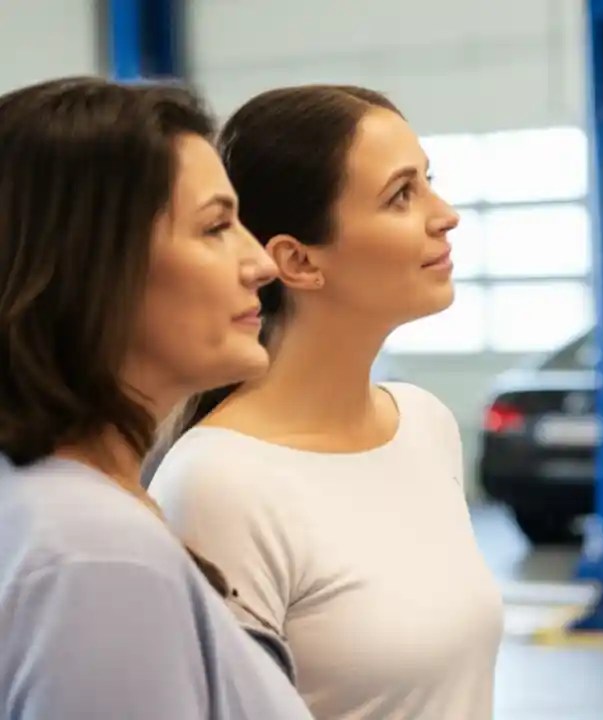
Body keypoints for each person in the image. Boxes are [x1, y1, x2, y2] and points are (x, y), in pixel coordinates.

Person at [146, 85, 504, 720]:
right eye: (401, 195)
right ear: (297, 261)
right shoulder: (218, 484)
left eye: (430, 180)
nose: (444, 213)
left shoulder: (424, 424)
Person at [0, 77, 312, 719]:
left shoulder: (50, 507)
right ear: (92, 263)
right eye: (216, 227)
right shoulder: (98, 556)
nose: (261, 263)